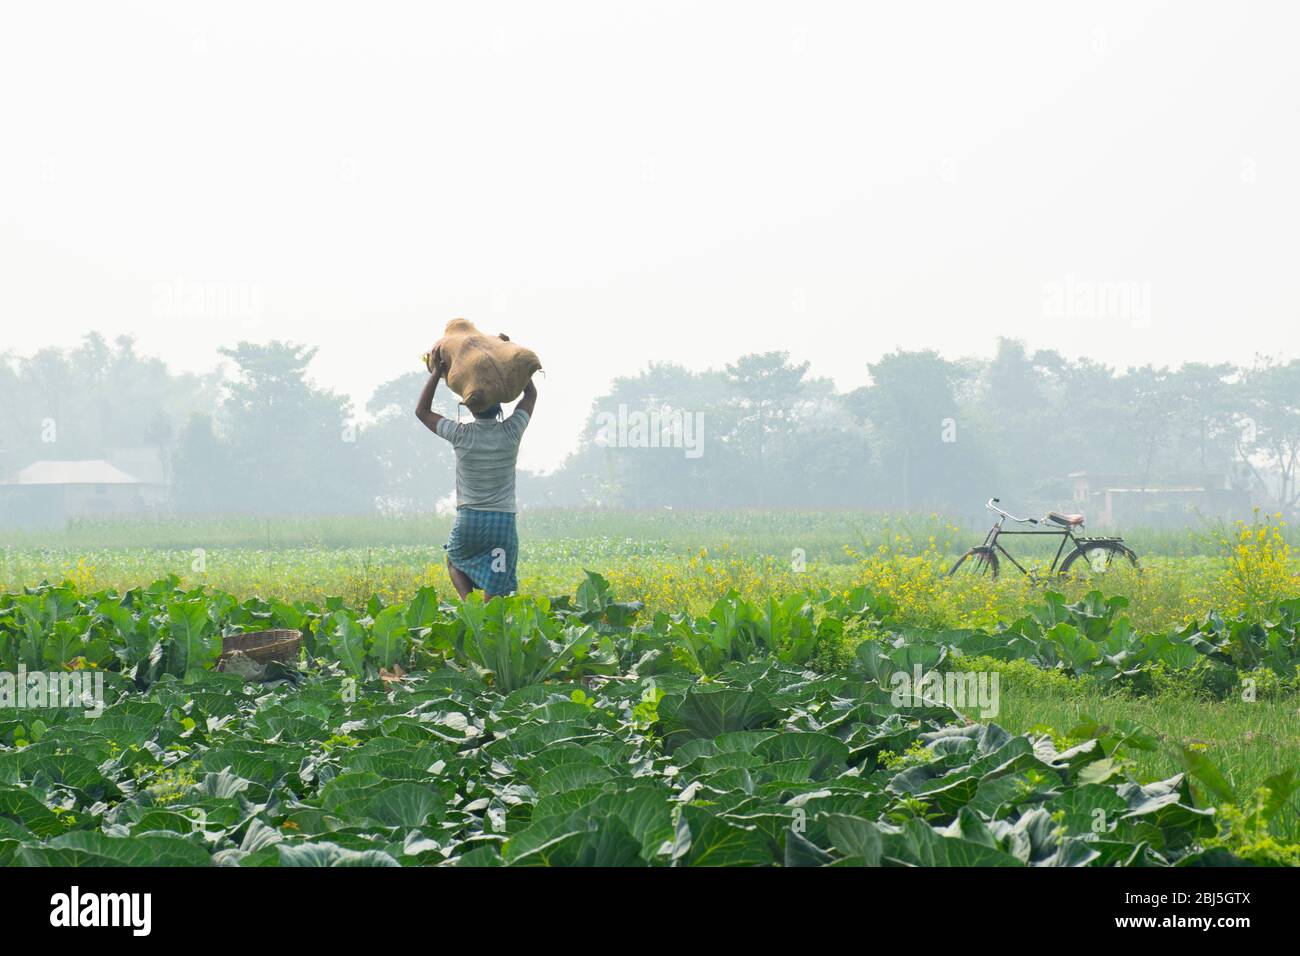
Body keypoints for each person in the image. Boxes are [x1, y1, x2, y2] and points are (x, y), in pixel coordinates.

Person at [414, 334, 537, 599]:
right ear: (499, 405)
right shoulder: (512, 431)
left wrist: (437, 372)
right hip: (502, 521)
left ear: (471, 408)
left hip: (470, 519)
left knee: (454, 559)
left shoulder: (461, 434)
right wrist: (507, 354)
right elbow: (531, 393)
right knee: (498, 586)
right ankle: (488, 616)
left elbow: (422, 412)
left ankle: (468, 603)